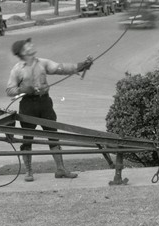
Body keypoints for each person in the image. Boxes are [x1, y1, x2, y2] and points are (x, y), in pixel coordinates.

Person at [5, 38, 93, 182]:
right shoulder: (17, 69)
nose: (31, 46)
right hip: (28, 106)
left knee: (53, 136)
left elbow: (60, 68)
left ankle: (60, 169)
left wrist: (80, 66)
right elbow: (9, 90)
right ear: (22, 52)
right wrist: (22, 89)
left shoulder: (43, 63)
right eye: (28, 45)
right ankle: (28, 172)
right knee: (27, 139)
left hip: (45, 103)